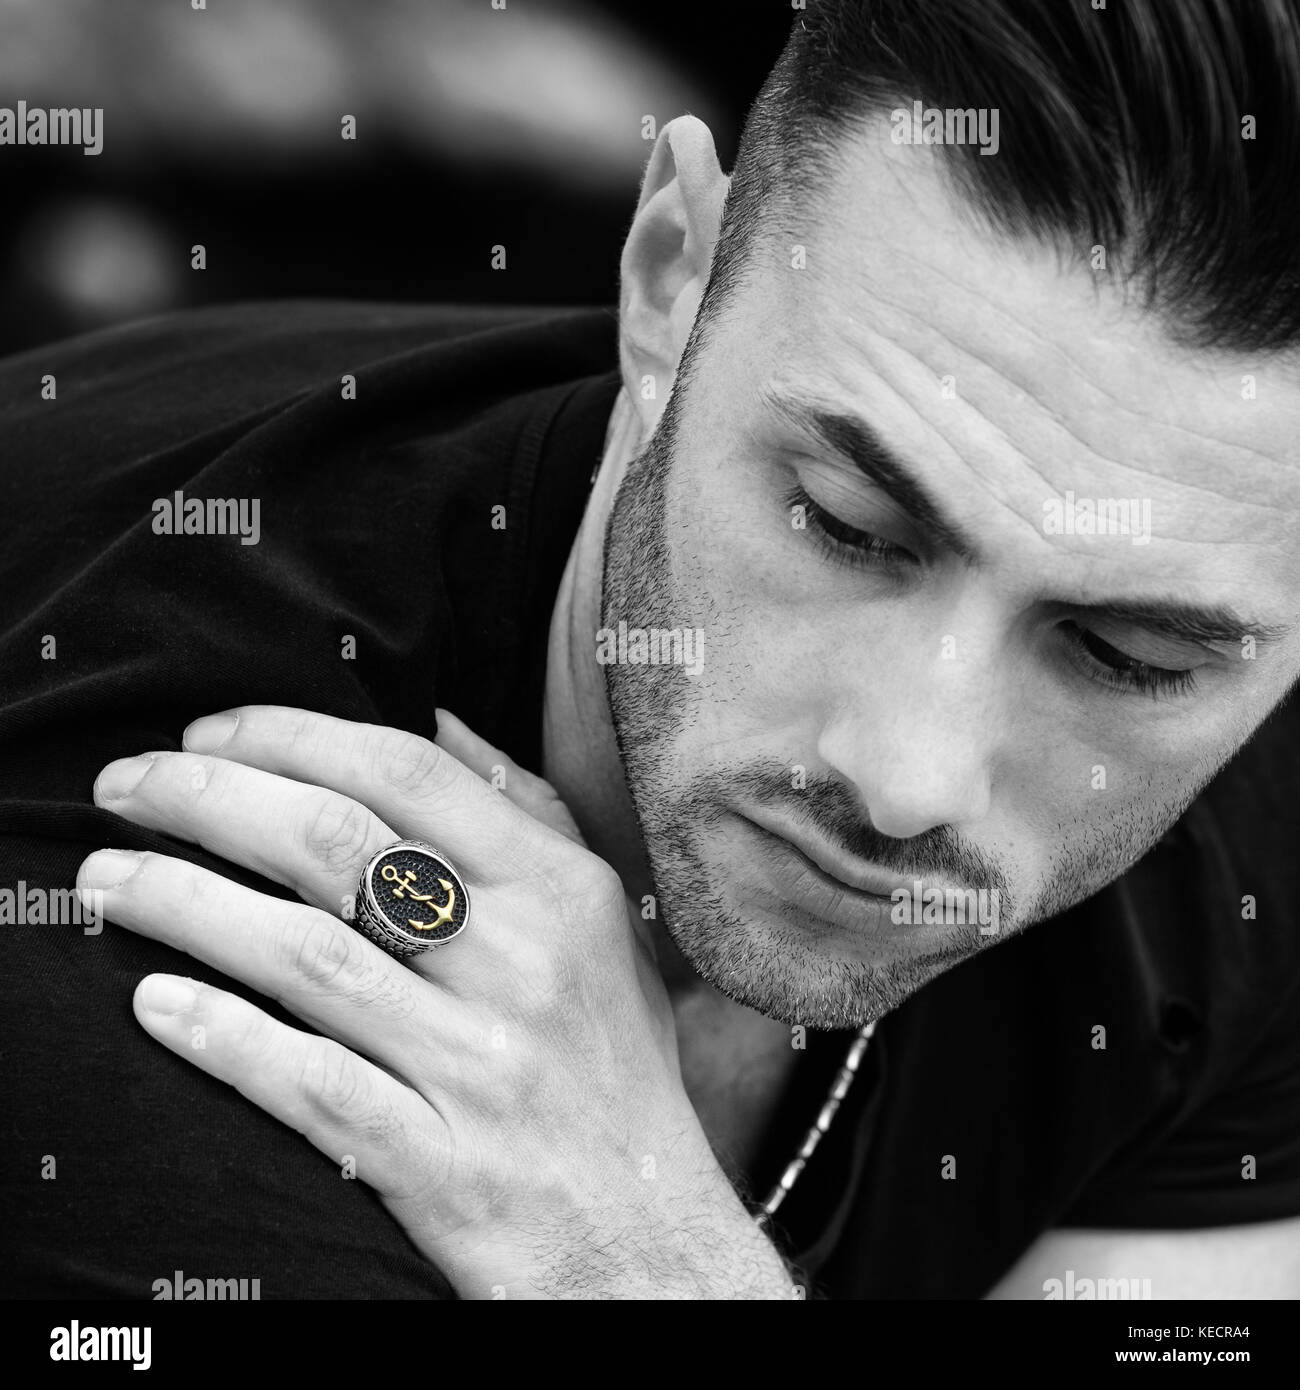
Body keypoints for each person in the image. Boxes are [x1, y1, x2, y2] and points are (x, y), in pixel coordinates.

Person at [3, 0, 1299, 1299]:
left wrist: (654, 1262)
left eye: (1128, 655)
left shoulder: (1253, 767)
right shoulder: (165, 954)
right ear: (671, 277)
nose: (906, 778)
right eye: (844, 524)